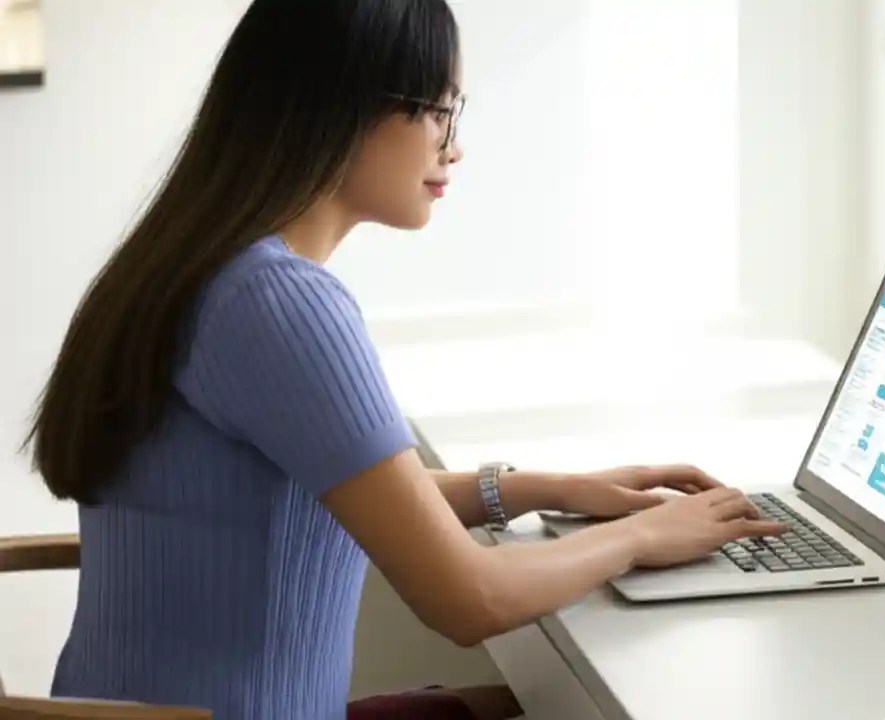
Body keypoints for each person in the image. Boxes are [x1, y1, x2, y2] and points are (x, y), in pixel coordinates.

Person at [21, 1, 787, 718]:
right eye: (438, 110)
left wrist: (539, 489)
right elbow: (468, 600)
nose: (453, 145)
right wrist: (646, 536)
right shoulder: (282, 305)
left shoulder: (187, 263)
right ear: (346, 105)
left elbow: (330, 491)